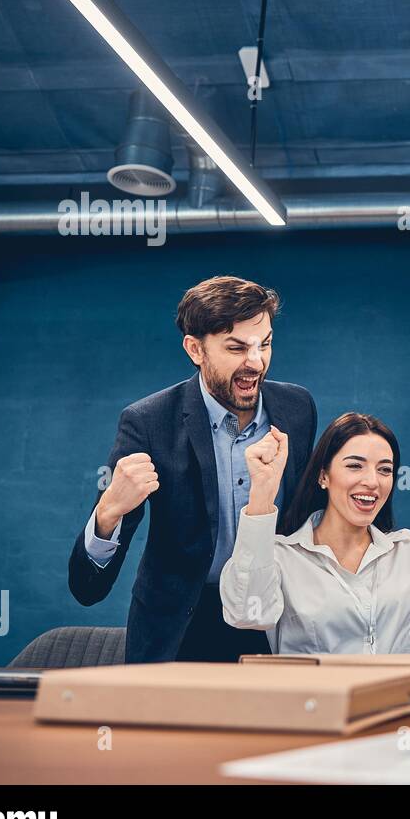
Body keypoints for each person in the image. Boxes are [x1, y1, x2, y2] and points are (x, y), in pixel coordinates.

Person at [67, 276, 317, 663]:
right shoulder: (148, 422)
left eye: (264, 344)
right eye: (236, 347)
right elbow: (87, 588)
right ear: (195, 349)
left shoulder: (297, 409)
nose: (255, 362)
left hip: (272, 618)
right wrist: (108, 513)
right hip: (182, 630)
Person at [220, 408, 410, 654]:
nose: (372, 481)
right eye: (355, 466)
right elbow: (247, 613)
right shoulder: (280, 558)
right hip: (318, 707)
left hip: (408, 707)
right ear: (323, 476)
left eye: (385, 469)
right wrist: (262, 495)